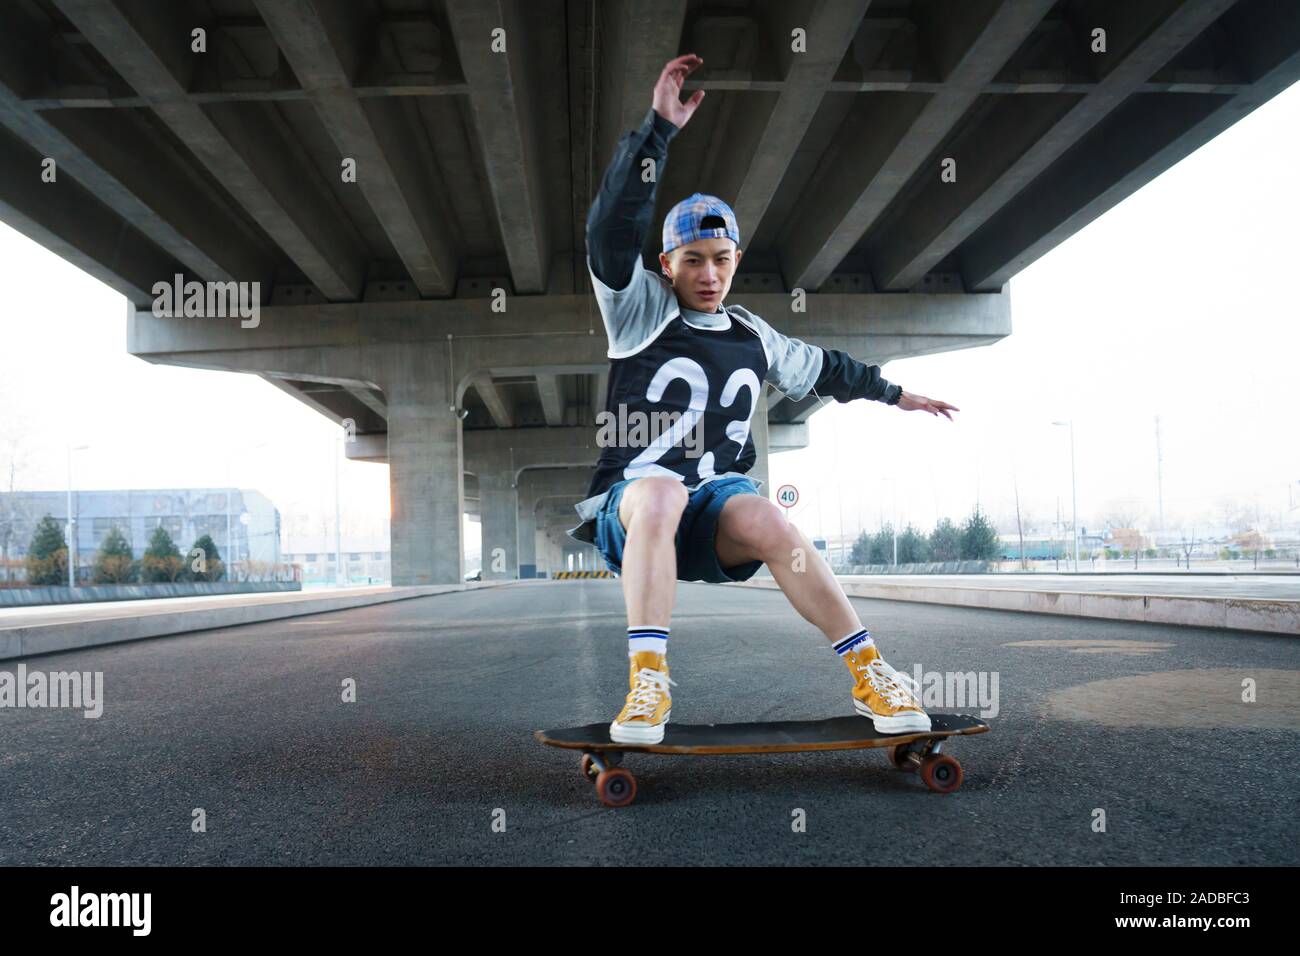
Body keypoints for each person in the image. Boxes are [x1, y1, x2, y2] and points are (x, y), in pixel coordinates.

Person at [567, 54, 960, 745]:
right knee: (660, 491)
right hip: (634, 510)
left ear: (736, 261)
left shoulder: (754, 335)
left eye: (721, 259)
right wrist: (657, 130)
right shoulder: (638, 312)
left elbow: (827, 368)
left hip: (710, 511)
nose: (709, 274)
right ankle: (648, 683)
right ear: (667, 265)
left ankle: (871, 670)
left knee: (771, 518)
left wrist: (894, 393)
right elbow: (609, 228)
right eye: (692, 260)